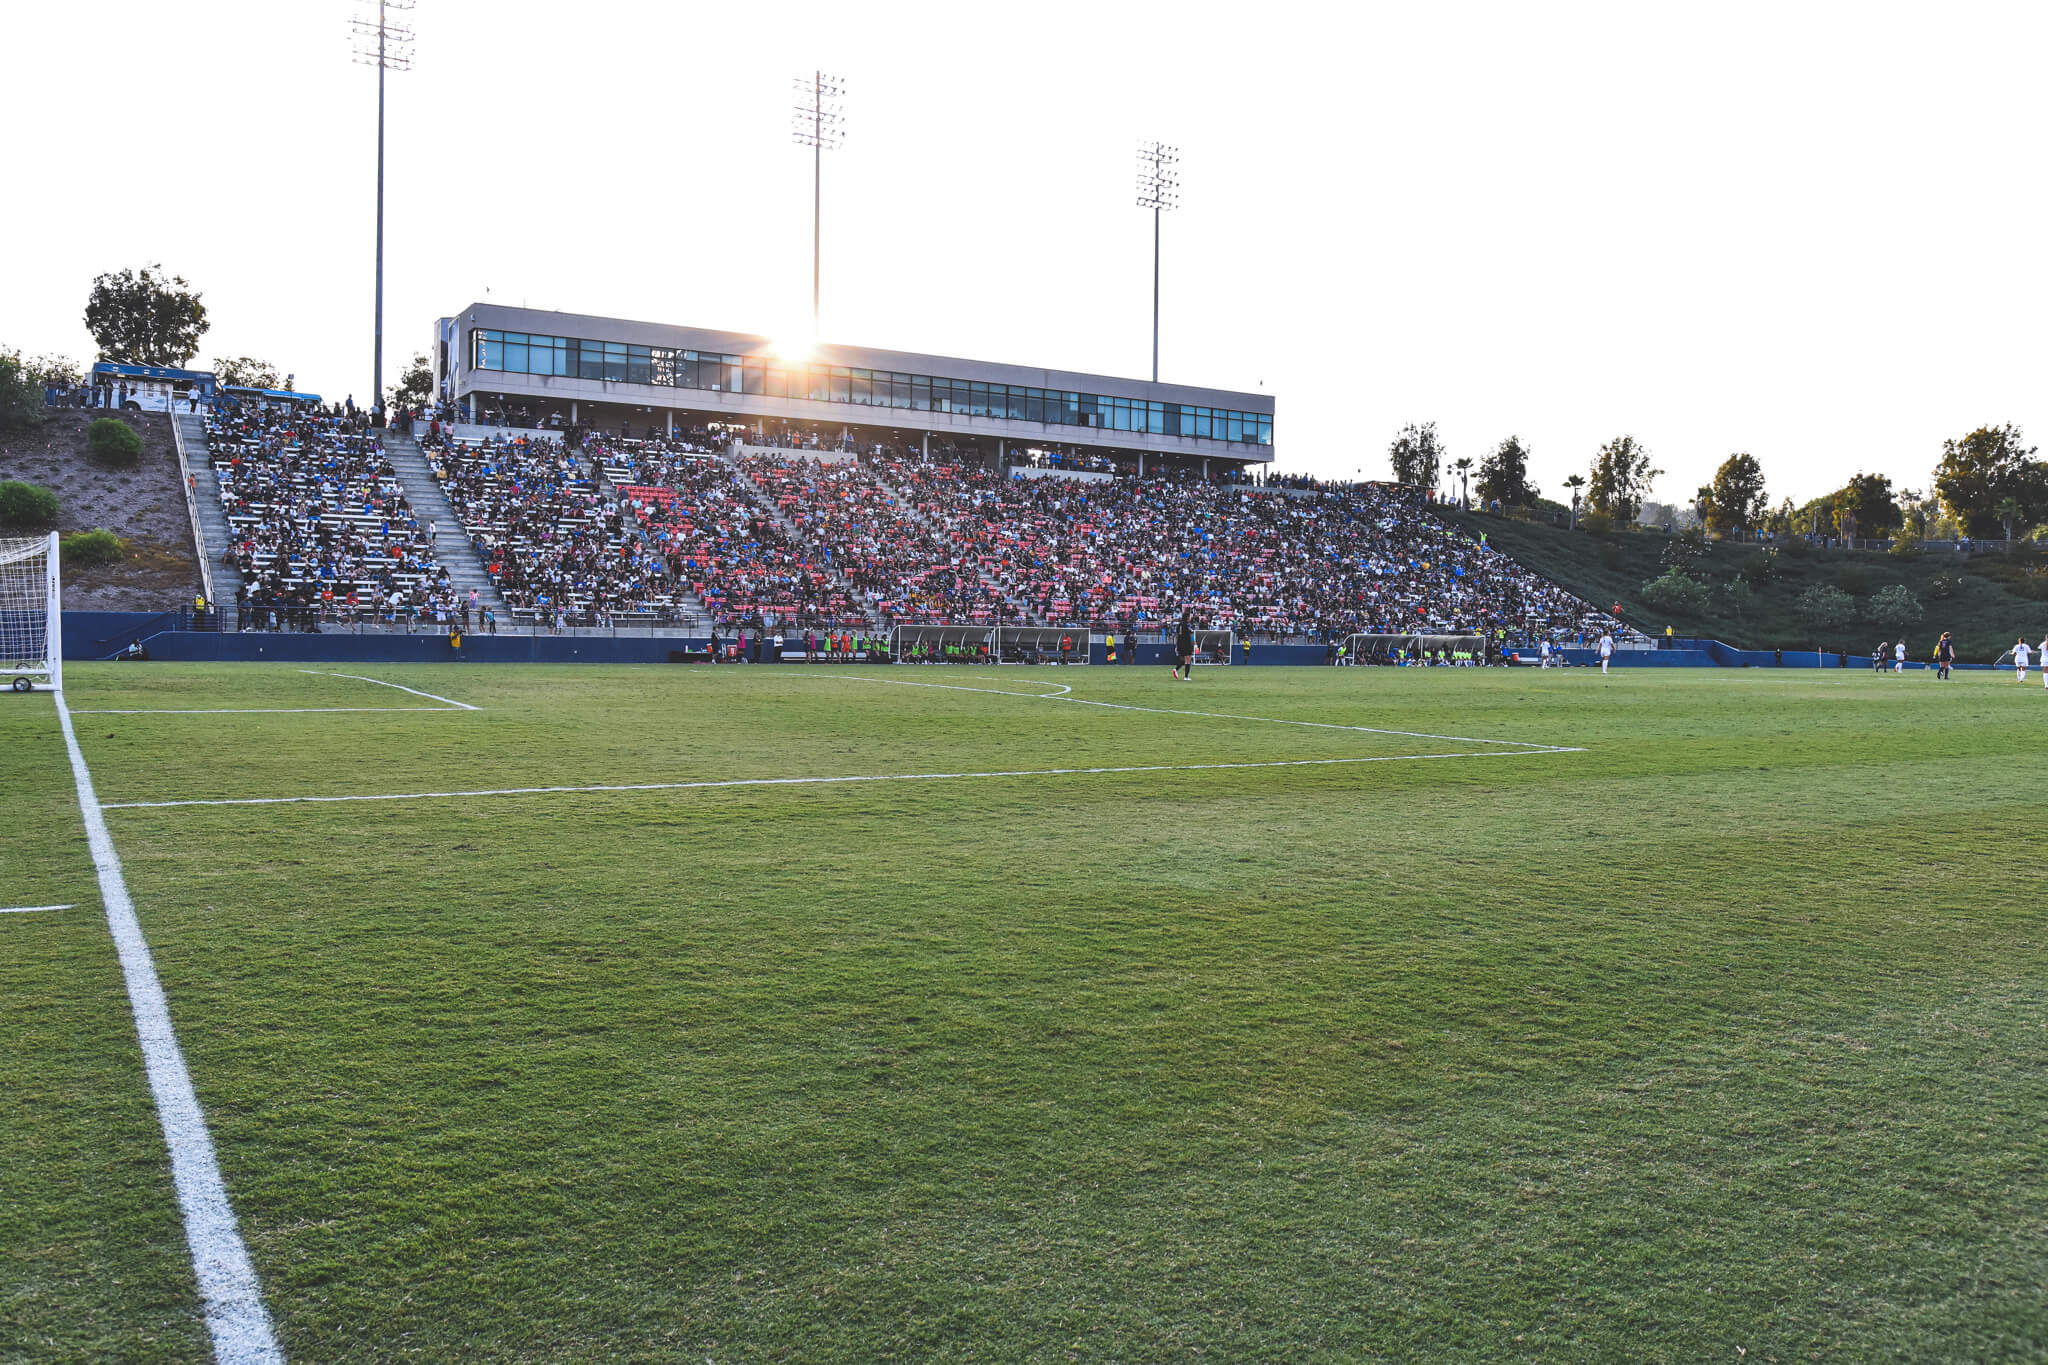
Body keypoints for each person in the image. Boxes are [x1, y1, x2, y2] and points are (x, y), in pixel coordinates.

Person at [1173, 610, 1196, 681]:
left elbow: (1176, 635)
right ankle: (1186, 677)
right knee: (1188, 660)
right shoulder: (1187, 625)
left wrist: (1176, 645)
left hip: (1180, 644)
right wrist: (1195, 644)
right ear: (1187, 618)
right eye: (1189, 617)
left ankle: (1175, 669)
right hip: (1186, 644)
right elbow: (1191, 634)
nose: (1190, 618)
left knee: (1183, 660)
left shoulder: (1179, 625)